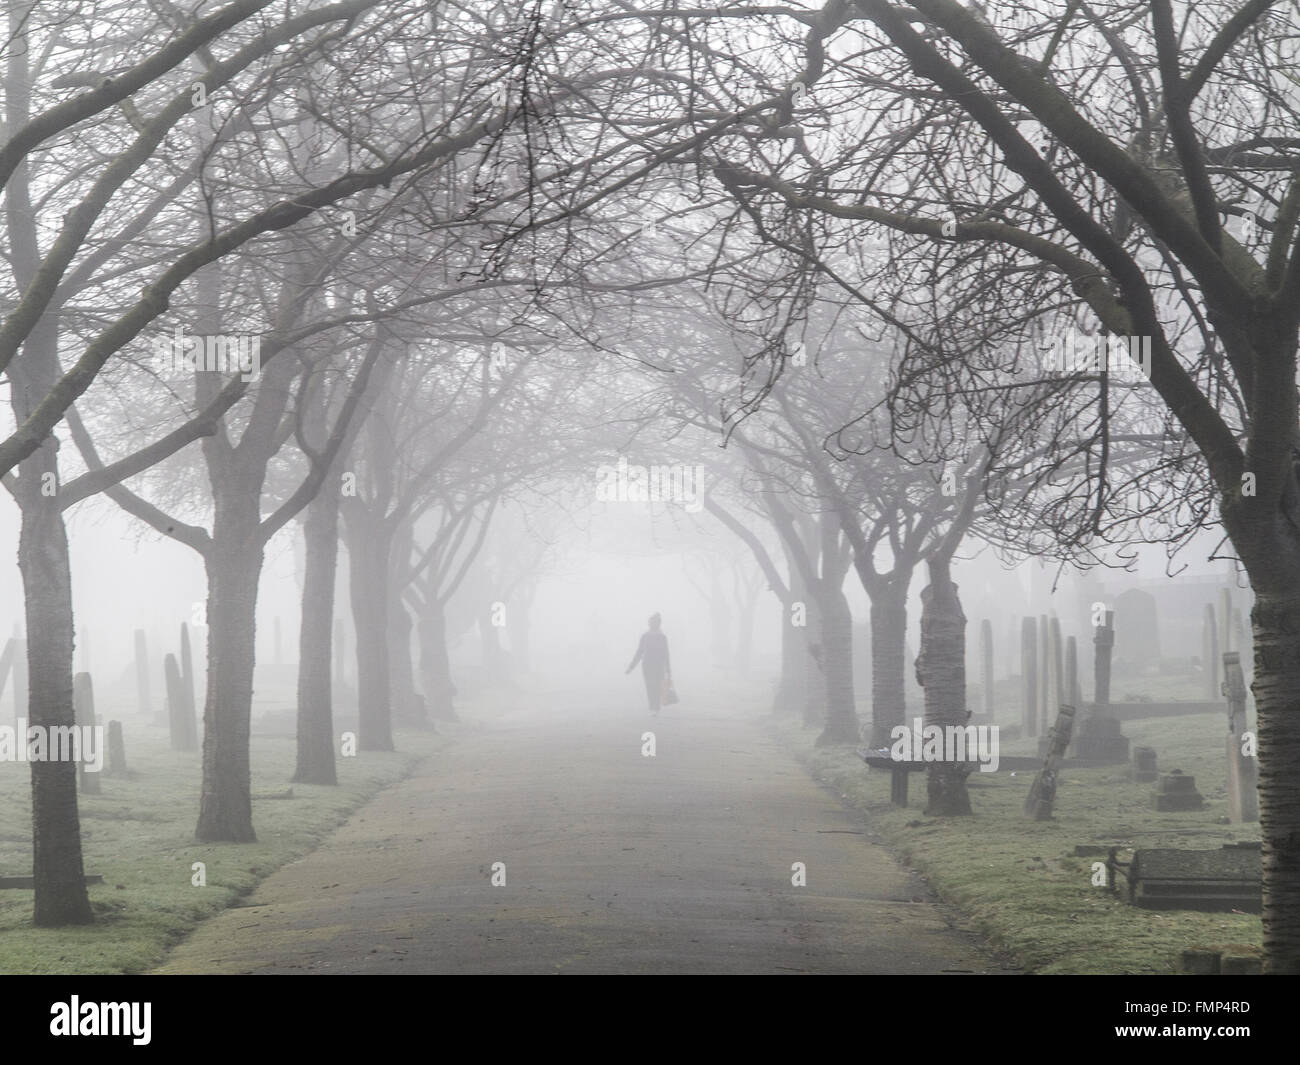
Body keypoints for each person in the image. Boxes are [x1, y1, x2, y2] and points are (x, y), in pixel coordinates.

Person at [625, 612, 671, 714]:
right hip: (648, 665)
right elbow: (639, 652)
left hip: (658, 665)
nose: (650, 624)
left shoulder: (662, 637)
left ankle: (655, 707)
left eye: (652, 622)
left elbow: (666, 654)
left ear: (657, 623)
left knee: (657, 686)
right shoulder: (645, 636)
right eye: (650, 622)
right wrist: (631, 667)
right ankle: (653, 707)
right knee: (650, 686)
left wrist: (668, 670)